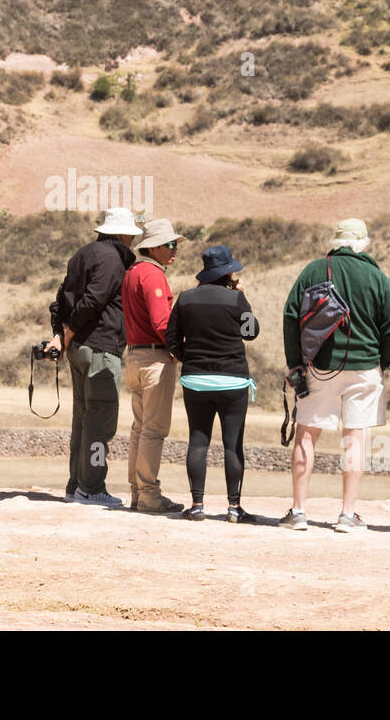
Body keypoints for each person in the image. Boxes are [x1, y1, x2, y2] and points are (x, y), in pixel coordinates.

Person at [280, 218, 390, 533]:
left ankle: (298, 511)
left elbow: (291, 315)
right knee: (355, 439)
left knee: (306, 434)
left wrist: (295, 363)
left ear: (336, 242)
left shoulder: (313, 269)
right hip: (364, 369)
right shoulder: (377, 277)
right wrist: (384, 362)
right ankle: (347, 515)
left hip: (319, 367)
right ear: (364, 243)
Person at [48, 207, 139, 507]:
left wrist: (61, 337)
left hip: (78, 350)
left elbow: (60, 300)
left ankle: (76, 485)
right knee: (100, 420)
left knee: (83, 419)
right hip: (101, 348)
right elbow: (92, 301)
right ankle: (92, 486)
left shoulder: (82, 255)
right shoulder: (113, 259)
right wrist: (69, 333)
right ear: (124, 234)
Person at [165, 245, 260, 523]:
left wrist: (190, 360)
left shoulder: (186, 299)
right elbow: (251, 332)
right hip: (232, 380)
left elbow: (171, 340)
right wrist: (243, 298)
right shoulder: (235, 300)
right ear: (228, 273)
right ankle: (234, 508)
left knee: (198, 439)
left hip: (195, 380)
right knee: (233, 444)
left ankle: (196, 505)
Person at [121, 218, 187, 514]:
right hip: (154, 358)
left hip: (134, 355)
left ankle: (137, 492)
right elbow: (162, 322)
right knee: (153, 431)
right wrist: (180, 352)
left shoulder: (133, 272)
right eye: (171, 245)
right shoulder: (152, 275)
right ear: (156, 247)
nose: (175, 250)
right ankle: (148, 493)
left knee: (140, 428)